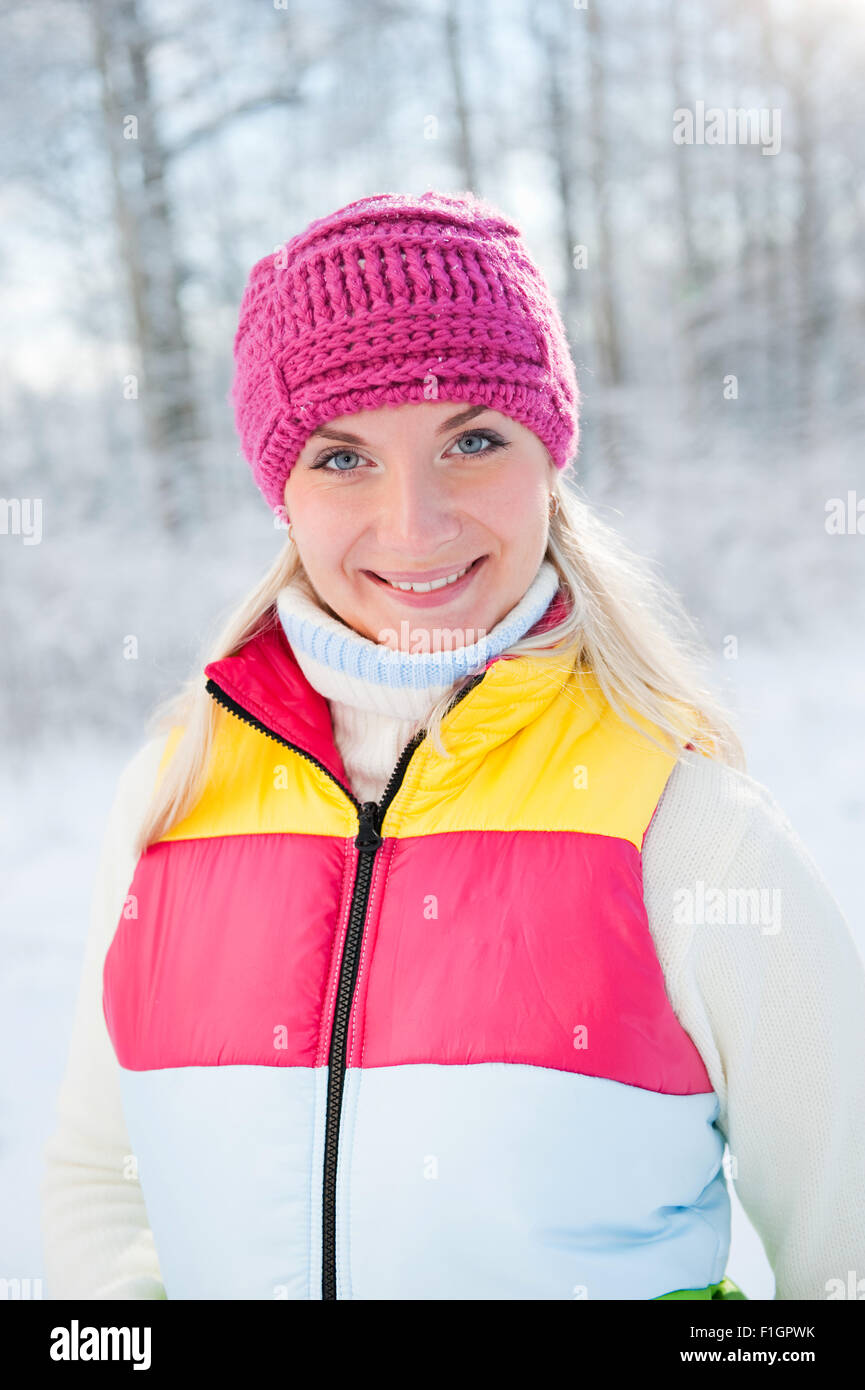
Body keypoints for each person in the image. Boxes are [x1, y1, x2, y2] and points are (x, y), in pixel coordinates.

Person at [40, 190, 865, 1301]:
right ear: (279, 491)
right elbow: (106, 1181)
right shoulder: (172, 799)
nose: (414, 522)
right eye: (342, 458)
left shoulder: (686, 831)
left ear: (549, 455)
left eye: (471, 439)